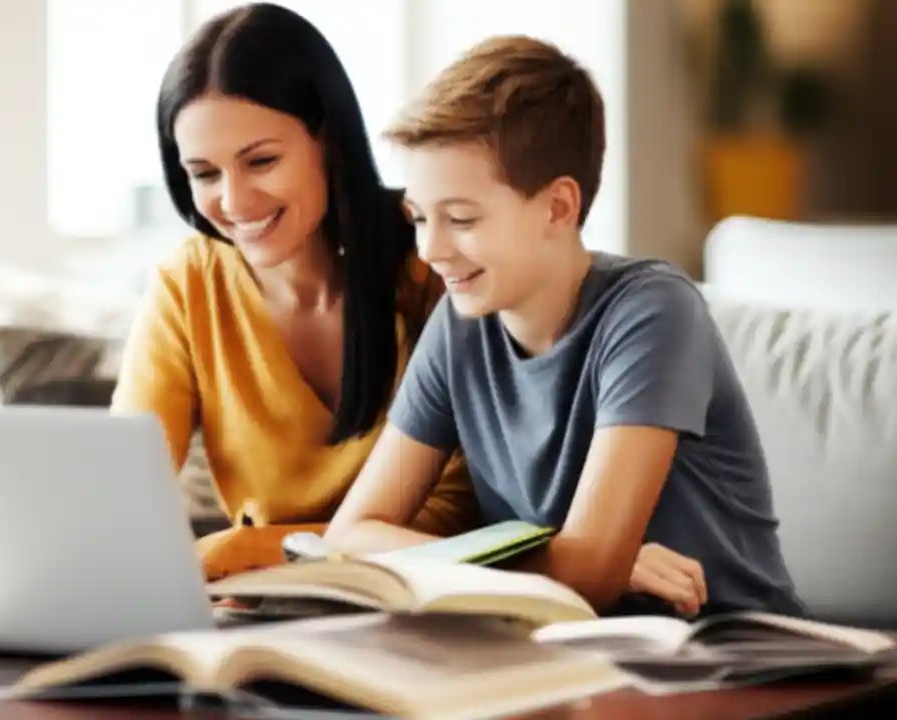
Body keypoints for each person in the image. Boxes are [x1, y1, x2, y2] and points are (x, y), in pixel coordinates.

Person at [324, 35, 806, 618]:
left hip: (734, 654)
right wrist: (572, 560)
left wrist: (588, 564)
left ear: (558, 207)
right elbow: (350, 537)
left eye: (460, 218)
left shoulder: (653, 310)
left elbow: (586, 580)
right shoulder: (461, 324)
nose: (430, 250)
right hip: (569, 646)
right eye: (419, 218)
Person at [111, 2, 477, 579]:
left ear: (328, 141)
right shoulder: (189, 286)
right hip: (266, 607)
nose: (233, 202)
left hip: (428, 601)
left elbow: (454, 522)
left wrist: (248, 549)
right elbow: (121, 492)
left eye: (260, 161)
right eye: (204, 173)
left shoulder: (434, 261)